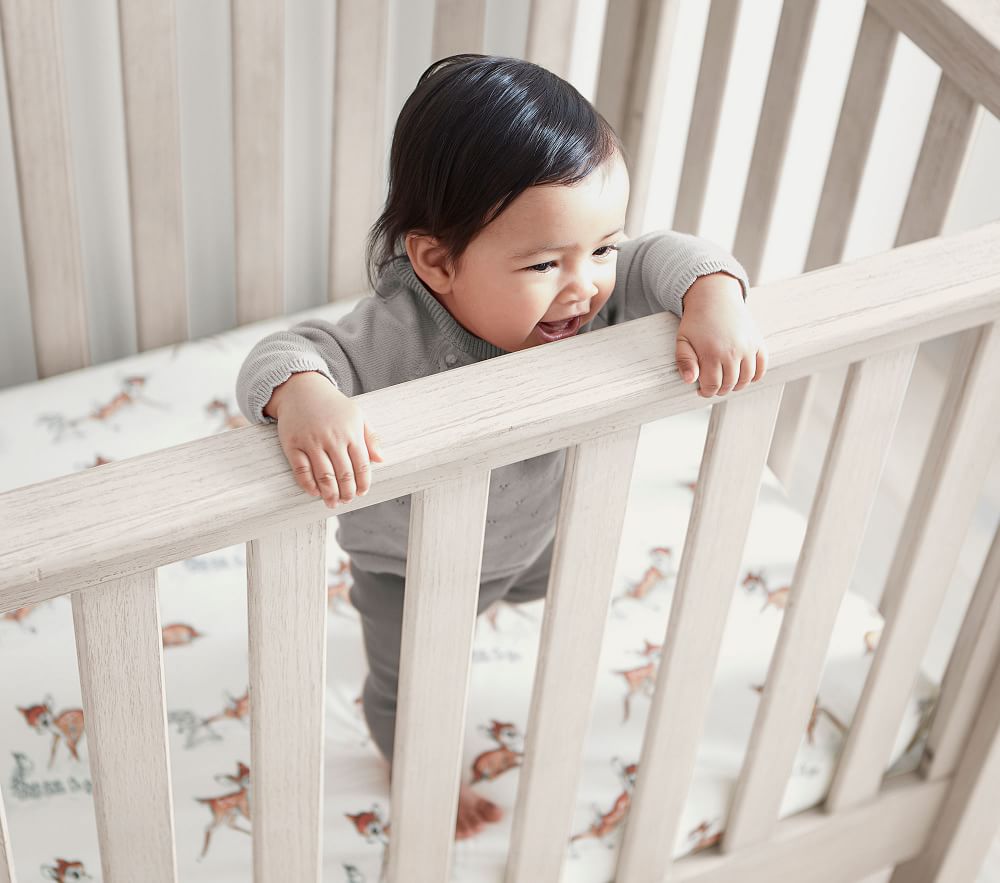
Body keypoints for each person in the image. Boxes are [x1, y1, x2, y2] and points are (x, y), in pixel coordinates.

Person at [236, 53, 767, 840]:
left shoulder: (587, 295)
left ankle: (506, 596)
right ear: (437, 262)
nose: (586, 285)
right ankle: (413, 763)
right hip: (411, 565)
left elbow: (662, 255)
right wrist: (308, 398)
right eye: (545, 263)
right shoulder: (396, 333)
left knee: (554, 580)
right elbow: (284, 353)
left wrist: (713, 296)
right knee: (412, 680)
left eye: (602, 248)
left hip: (533, 532)